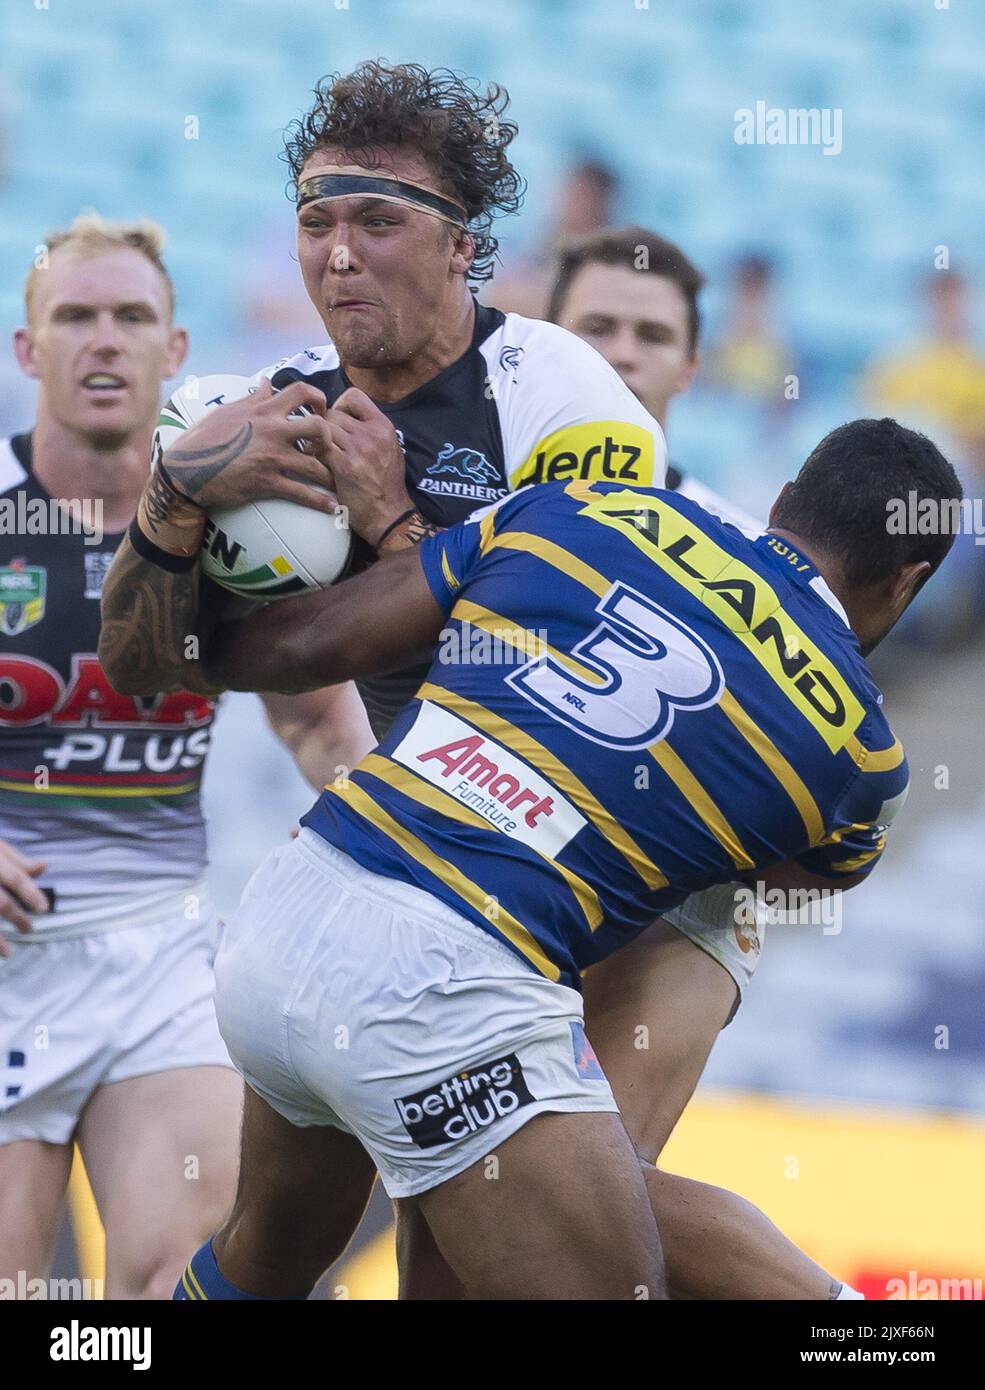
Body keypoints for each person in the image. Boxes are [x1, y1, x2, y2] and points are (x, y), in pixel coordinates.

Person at [97, 61, 889, 1300]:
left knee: (578, 1190)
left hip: (642, 850)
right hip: (448, 855)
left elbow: (558, 673)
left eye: (377, 220)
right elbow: (151, 668)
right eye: (315, 222)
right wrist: (174, 500)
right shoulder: (279, 417)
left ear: (465, 248)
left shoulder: (562, 399)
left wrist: (396, 521)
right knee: (398, 1232)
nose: (340, 256)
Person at [99, 408, 958, 1300]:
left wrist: (169, 543)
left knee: (267, 1255)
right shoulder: (862, 757)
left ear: (781, 498)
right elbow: (745, 880)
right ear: (908, 582)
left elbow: (306, 645)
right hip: (450, 989)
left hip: (295, 905)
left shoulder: (587, 507)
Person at [0, 214, 373, 1298]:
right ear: (29, 350)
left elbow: (317, 722)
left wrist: (386, 829)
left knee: (175, 1280)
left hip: (157, 954)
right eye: (75, 316)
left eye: (132, 317)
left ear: (176, 350)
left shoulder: (237, 530)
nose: (104, 340)